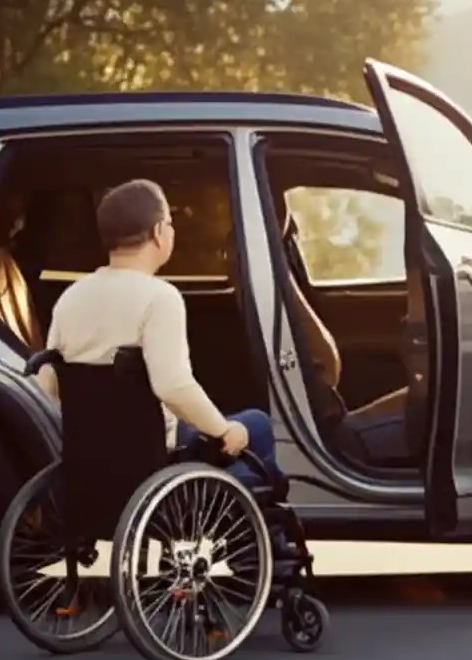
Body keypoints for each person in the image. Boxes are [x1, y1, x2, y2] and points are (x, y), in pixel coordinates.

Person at [34, 177, 286, 492]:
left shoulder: (70, 298)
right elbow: (173, 386)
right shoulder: (160, 297)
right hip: (154, 451)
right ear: (157, 232)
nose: (172, 230)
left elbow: (48, 384)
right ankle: (269, 536)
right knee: (258, 425)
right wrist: (223, 430)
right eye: (170, 222)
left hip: (91, 453)